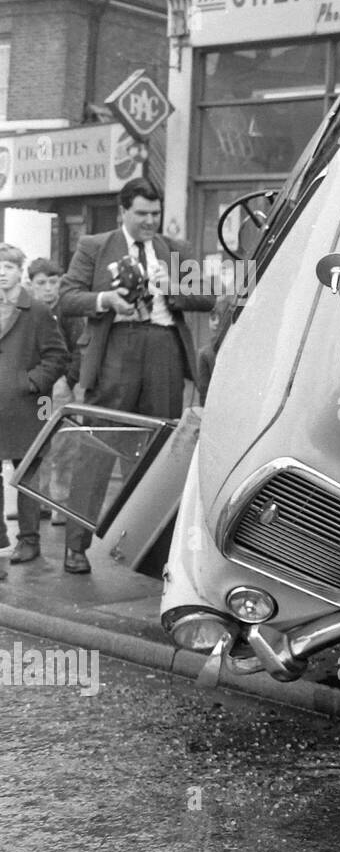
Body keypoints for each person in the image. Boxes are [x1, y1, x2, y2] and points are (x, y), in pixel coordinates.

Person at [57, 179, 215, 573]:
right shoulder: (94, 246)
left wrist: (172, 286)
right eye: (142, 213)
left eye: (155, 214)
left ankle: (154, 554)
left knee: (160, 452)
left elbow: (208, 296)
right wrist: (104, 300)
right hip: (115, 349)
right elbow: (66, 297)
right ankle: (76, 546)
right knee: (97, 449)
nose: (149, 221)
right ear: (123, 211)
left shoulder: (174, 250)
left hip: (163, 350)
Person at [0, 243, 70, 577]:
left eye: (9, 266)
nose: (2, 272)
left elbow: (58, 356)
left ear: (19, 271)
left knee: (27, 473)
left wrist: (30, 382)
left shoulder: (37, 311)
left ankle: (29, 540)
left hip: (27, 405)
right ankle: (1, 540)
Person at [24, 258, 82, 529]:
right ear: (31, 284)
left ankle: (61, 503)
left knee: (64, 443)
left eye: (53, 282)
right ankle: (42, 501)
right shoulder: (28, 311)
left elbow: (80, 349)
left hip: (60, 388)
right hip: (38, 388)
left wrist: (68, 380)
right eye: (41, 283)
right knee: (39, 441)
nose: (48, 289)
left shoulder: (68, 313)